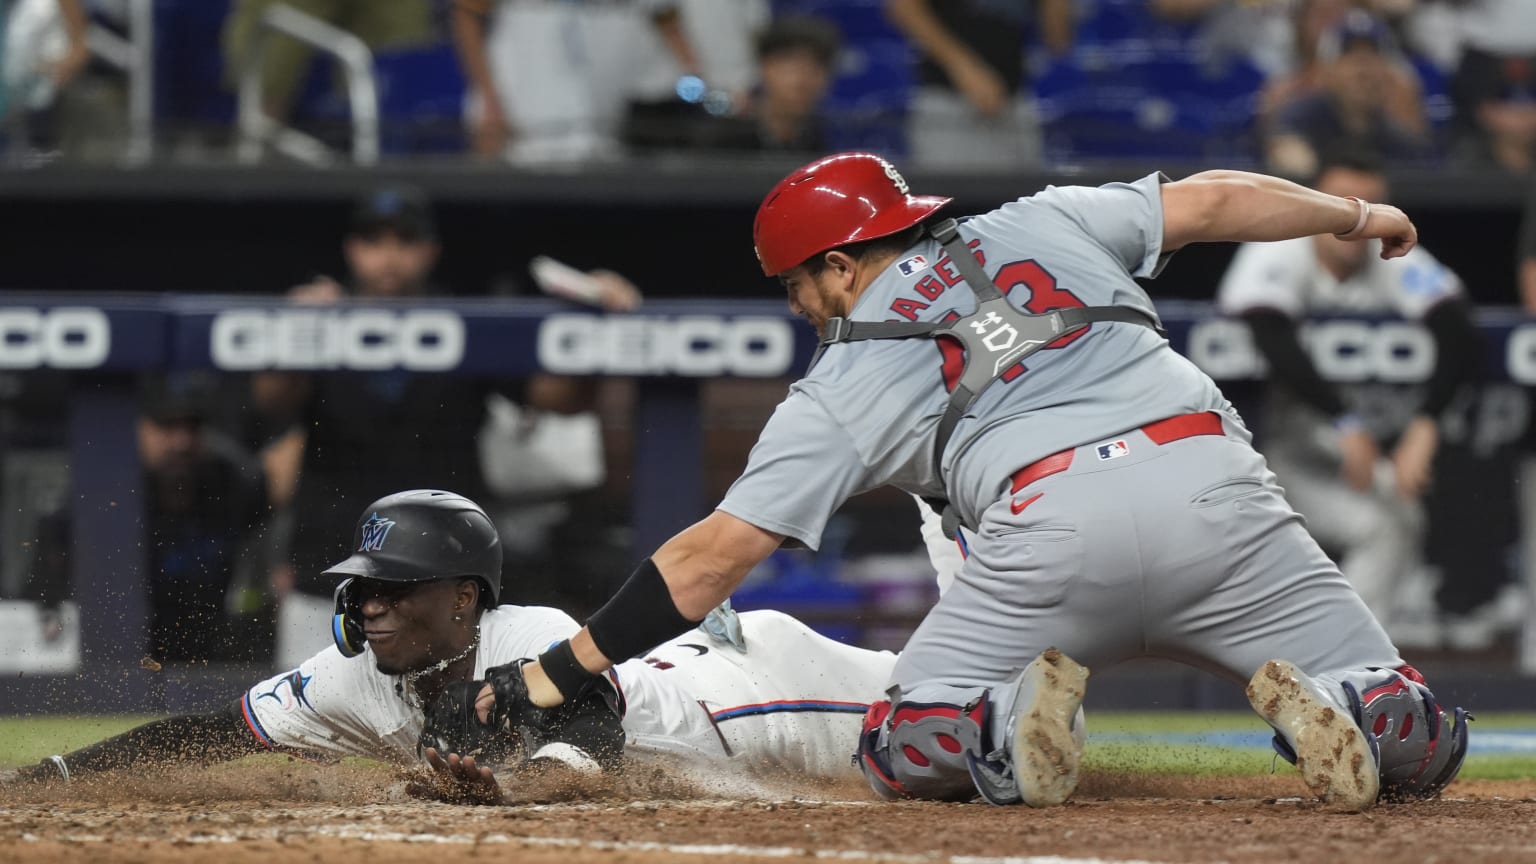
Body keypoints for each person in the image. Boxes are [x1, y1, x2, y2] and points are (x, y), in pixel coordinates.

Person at [508, 151, 1472, 812]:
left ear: (841, 266)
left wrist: (558, 673)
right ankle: (1361, 714)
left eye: (796, 284)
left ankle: (1004, 729)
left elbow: (710, 561)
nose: (798, 305)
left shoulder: (844, 377)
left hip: (1053, 542)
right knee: (1415, 728)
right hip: (1222, 499)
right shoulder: (1041, 218)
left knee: (905, 741)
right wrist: (1357, 213)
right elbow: (1215, 203)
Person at [3, 490, 899, 800]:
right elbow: (208, 732)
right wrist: (53, 779)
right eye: (364, 588)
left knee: (950, 723)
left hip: (756, 697)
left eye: (398, 588)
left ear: (464, 597)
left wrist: (517, 789)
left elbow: (593, 744)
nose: (372, 606)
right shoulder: (351, 675)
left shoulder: (532, 634)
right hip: (714, 737)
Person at [256, 185, 638, 671]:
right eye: (374, 241)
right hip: (330, 564)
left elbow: (560, 400)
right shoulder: (321, 318)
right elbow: (271, 399)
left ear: (430, 251)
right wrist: (295, 331)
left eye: (405, 241)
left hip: (440, 578)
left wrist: (590, 320)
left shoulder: (466, 323)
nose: (389, 256)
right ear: (353, 249)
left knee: (449, 729)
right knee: (303, 727)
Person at [1216, 147, 1478, 646]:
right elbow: (1270, 335)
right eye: (1343, 202)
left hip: (1334, 457)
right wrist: (1346, 423)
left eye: (1373, 205)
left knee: (1393, 519)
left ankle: (1349, 665)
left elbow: (1460, 332)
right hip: (1249, 457)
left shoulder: (1391, 253)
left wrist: (1426, 423)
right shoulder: (1278, 246)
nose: (1358, 219)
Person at [23, 373, 271, 662]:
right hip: (112, 652)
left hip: (208, 652)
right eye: (166, 427)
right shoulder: (102, 492)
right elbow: (43, 583)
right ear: (138, 428)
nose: (181, 442)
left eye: (192, 428)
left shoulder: (232, 483)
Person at [885, 0, 1073, 171]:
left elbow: (1057, 41)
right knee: (950, 201)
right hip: (947, 101)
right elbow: (903, 8)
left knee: (1022, 201)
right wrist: (963, 68)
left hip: (1014, 100)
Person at [1264, 10, 1431, 177]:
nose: (1363, 71)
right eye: (1351, 59)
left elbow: (1418, 171)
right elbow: (1289, 158)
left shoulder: (1395, 135)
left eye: (1371, 58)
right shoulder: (1301, 116)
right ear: (1328, 69)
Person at [696, 15, 840, 156]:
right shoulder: (723, 140)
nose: (802, 81)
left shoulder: (829, 142)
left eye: (816, 68)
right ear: (764, 67)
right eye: (791, 66)